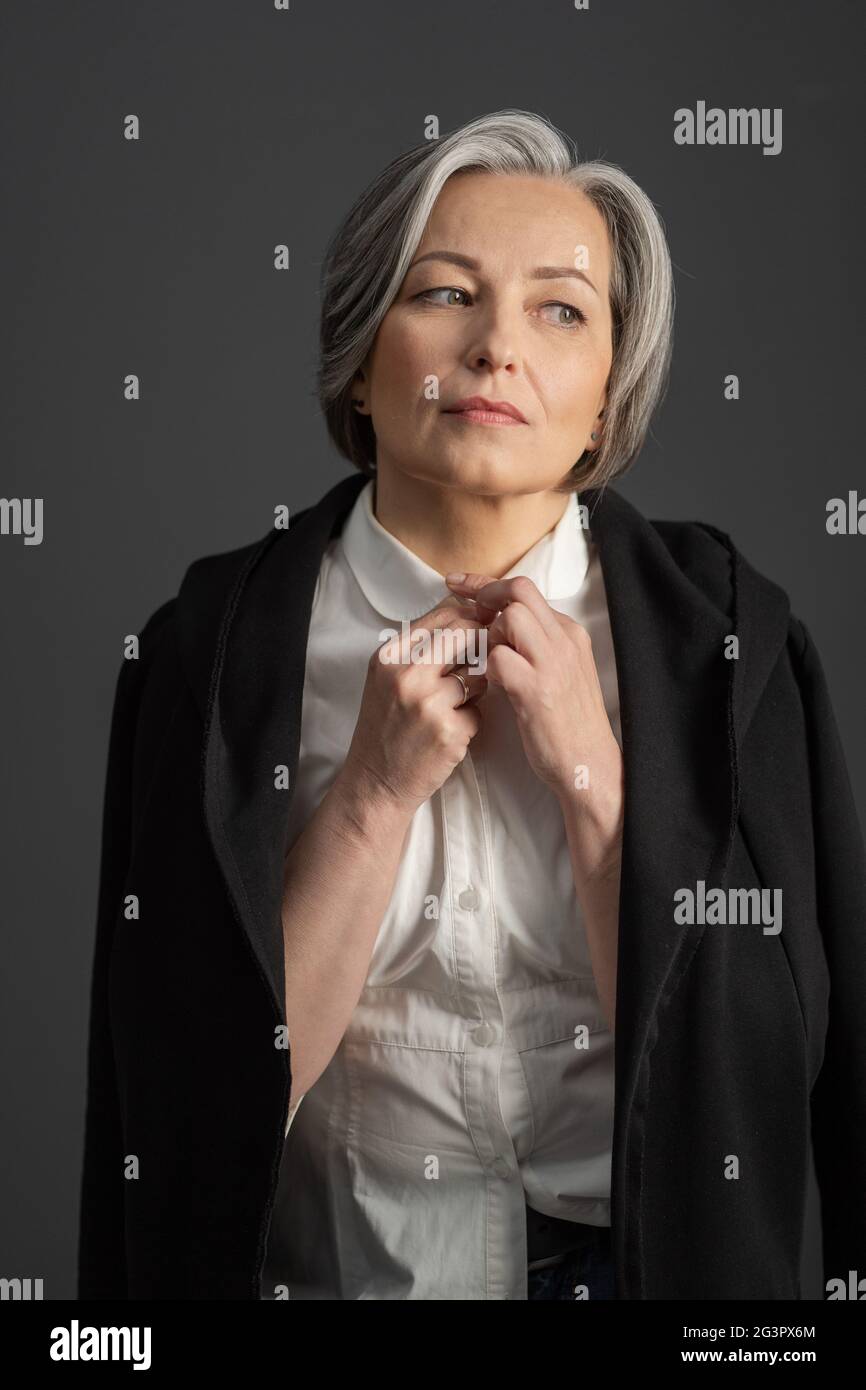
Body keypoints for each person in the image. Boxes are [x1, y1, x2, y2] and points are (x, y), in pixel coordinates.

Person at [78, 110, 866, 1302]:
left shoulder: (733, 648)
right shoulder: (206, 655)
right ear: (357, 354)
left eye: (561, 308)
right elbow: (180, 1112)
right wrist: (369, 799)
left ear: (606, 399)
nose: (498, 346)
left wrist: (596, 779)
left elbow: (777, 1072)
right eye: (444, 294)